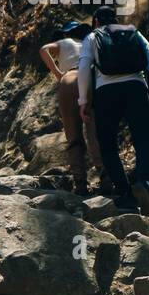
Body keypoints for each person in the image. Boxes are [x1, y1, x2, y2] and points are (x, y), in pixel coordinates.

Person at [78, 6, 149, 218]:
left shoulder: (92, 37)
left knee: (108, 146)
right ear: (116, 19)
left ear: (95, 21)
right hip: (136, 88)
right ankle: (143, 182)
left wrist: (83, 101)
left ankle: (125, 195)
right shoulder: (133, 31)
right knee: (143, 140)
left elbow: (84, 69)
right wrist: (148, 91)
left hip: (106, 93)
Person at [40, 21, 107, 198]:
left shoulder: (65, 42)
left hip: (69, 79)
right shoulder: (89, 44)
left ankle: (80, 184)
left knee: (74, 136)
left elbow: (43, 50)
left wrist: (57, 73)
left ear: (67, 33)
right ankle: (105, 177)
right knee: (95, 132)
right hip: (91, 80)